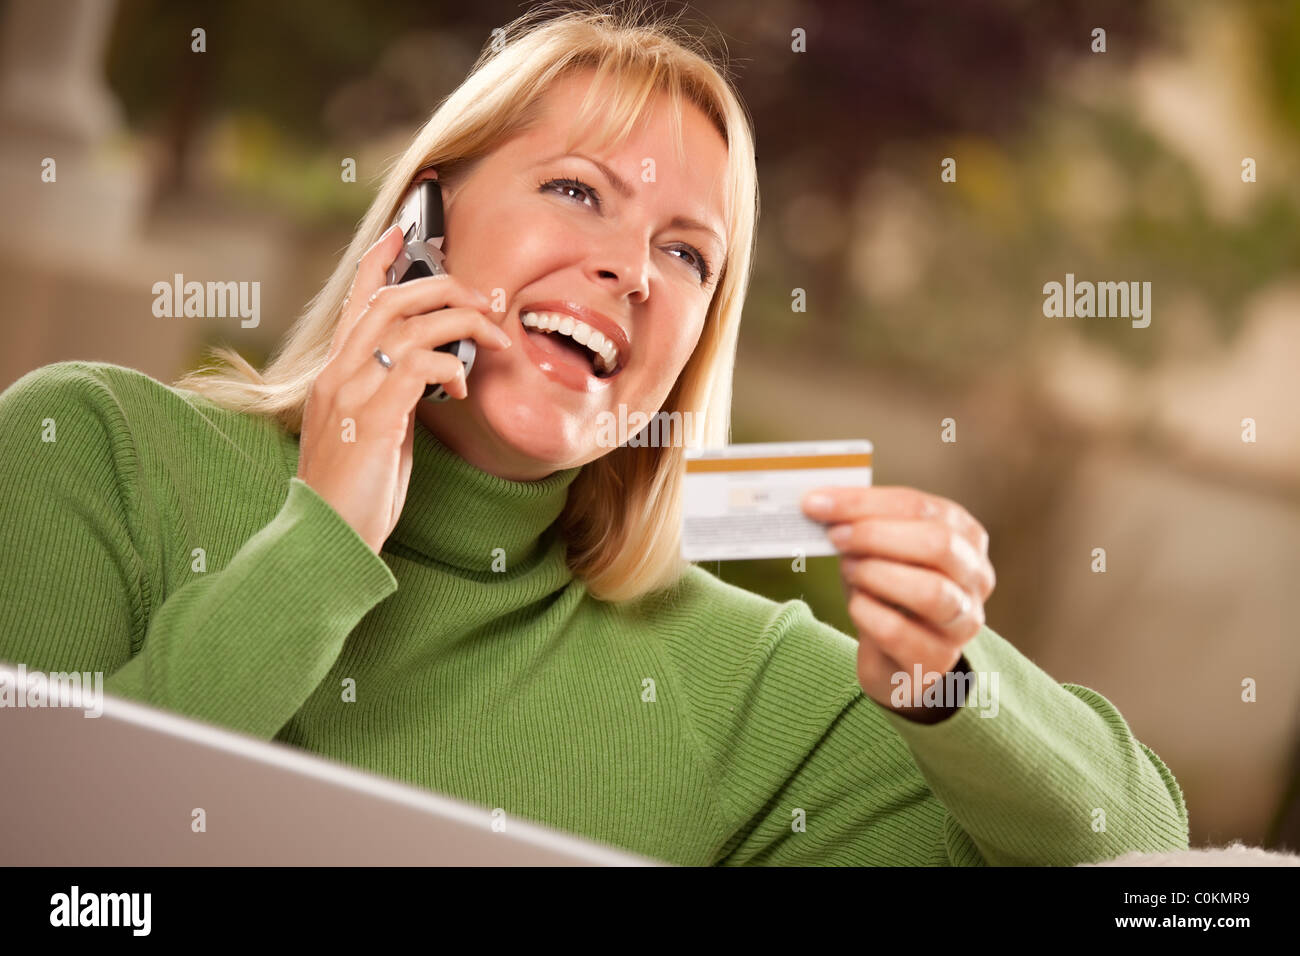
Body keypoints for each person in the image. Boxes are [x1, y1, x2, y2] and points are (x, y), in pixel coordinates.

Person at [0, 3, 1188, 865]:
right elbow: (51, 852)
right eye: (576, 190)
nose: (629, 268)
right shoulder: (95, 449)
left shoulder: (753, 682)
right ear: (420, 223)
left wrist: (954, 680)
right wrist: (319, 542)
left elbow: (1140, 860)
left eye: (686, 252)